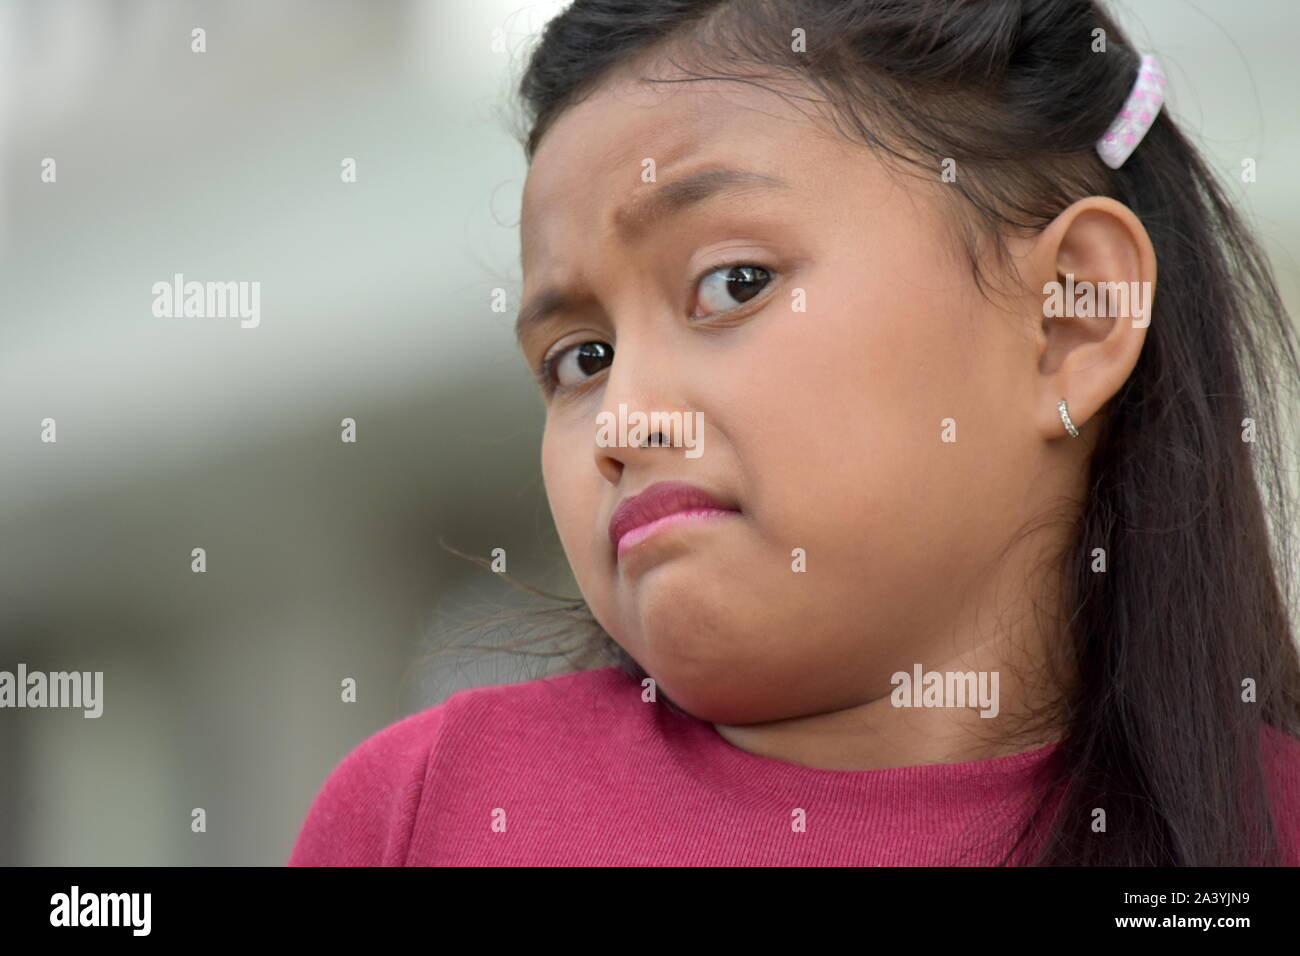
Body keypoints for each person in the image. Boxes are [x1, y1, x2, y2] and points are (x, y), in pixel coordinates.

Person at [288, 0, 1300, 866]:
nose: (622, 422)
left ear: (1069, 316)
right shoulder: (426, 813)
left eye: (732, 284)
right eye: (578, 360)